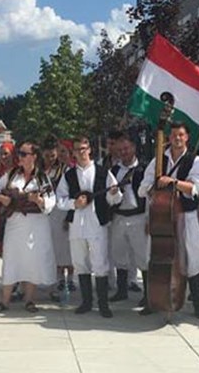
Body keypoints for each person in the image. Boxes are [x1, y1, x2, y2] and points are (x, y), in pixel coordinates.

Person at [138, 122, 199, 319]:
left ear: (187, 137)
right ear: (169, 137)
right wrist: (154, 187)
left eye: (181, 135)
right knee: (153, 255)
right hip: (162, 217)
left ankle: (197, 302)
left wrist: (174, 183)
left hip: (186, 216)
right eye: (174, 135)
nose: (177, 138)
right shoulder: (158, 160)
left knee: (193, 258)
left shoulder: (195, 161)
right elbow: (143, 188)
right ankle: (154, 299)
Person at [56, 136, 122, 318]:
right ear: (74, 153)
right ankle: (86, 302)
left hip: (97, 224)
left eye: (84, 148)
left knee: (100, 263)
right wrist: (73, 203)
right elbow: (59, 200)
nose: (81, 152)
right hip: (77, 226)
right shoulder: (68, 175)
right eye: (77, 150)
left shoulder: (103, 172)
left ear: (90, 149)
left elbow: (114, 198)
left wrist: (115, 194)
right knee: (79, 263)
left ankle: (103, 304)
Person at [0, 141, 57, 314]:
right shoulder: (11, 175)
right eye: (19, 153)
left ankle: (30, 300)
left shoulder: (42, 177)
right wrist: (0, 197)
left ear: (33, 157)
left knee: (32, 260)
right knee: (11, 259)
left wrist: (40, 201)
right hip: (15, 223)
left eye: (24, 154)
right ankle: (4, 301)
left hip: (35, 224)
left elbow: (51, 200)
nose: (20, 157)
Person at [107, 132, 148, 306]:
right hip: (119, 217)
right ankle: (121, 290)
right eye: (120, 148)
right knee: (119, 254)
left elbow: (150, 197)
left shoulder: (144, 169)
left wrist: (149, 219)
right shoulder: (114, 171)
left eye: (126, 148)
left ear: (134, 148)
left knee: (143, 256)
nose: (123, 151)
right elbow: (108, 197)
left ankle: (148, 294)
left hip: (138, 217)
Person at [43, 137, 75, 301]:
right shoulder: (42, 171)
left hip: (63, 211)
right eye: (58, 151)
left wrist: (69, 217)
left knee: (67, 246)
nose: (58, 155)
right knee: (54, 246)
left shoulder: (68, 171)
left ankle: (70, 278)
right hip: (48, 212)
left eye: (63, 152)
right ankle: (57, 278)